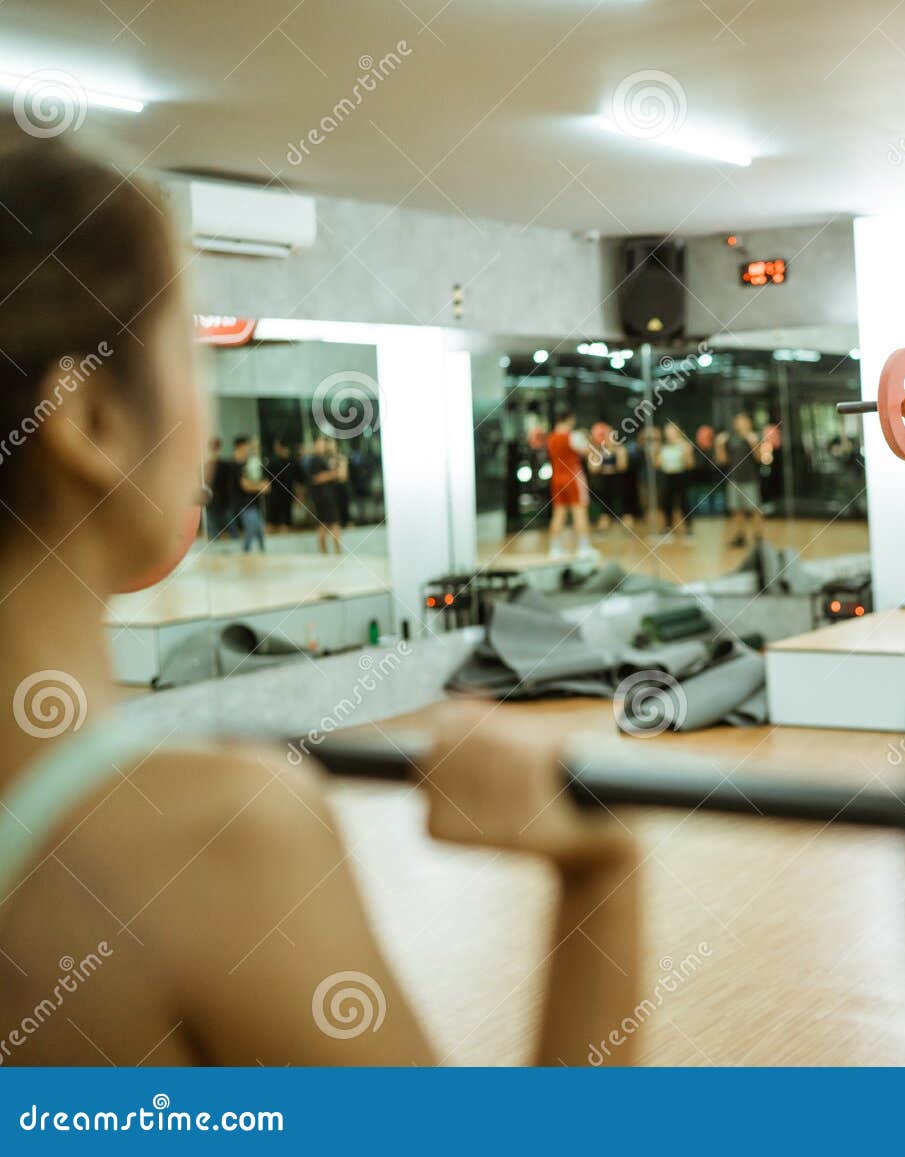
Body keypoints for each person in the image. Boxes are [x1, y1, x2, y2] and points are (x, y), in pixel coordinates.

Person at [0, 131, 641, 1064]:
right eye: (193, 352)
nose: (204, 406)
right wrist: (604, 876)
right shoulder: (213, 835)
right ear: (92, 420)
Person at [545, 409, 594, 557]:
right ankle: (584, 548)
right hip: (573, 477)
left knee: (559, 513)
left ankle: (554, 548)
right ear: (570, 419)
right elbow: (587, 452)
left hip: (556, 478)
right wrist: (588, 439)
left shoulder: (551, 438)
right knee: (579, 511)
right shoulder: (573, 436)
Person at [715, 412, 765, 548]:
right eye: (737, 421)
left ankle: (759, 537)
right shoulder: (730, 439)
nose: (740, 423)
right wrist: (719, 445)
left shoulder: (756, 437)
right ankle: (740, 536)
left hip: (750, 479)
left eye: (743, 420)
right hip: (733, 479)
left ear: (749, 422)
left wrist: (753, 443)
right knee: (737, 509)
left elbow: (760, 458)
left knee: (754, 508)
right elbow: (722, 460)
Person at [653, 422, 695, 541]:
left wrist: (686, 453)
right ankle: (668, 527)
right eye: (667, 431)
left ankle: (688, 528)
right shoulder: (664, 447)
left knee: (684, 502)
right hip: (667, 476)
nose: (669, 433)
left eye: (671, 431)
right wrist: (655, 452)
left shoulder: (685, 445)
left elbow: (690, 464)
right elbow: (657, 464)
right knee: (666, 503)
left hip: (681, 476)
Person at [230, 435, 271, 553]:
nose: (248, 448)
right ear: (240, 447)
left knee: (259, 532)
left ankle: (261, 554)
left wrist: (263, 484)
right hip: (244, 504)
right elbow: (245, 485)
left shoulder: (249, 463)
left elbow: (255, 480)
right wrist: (260, 487)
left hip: (253, 503)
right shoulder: (235, 464)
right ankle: (245, 553)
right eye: (247, 446)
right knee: (252, 530)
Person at [305, 435, 344, 554]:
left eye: (323, 443)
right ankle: (336, 551)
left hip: (327, 496)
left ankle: (325, 553)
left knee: (323, 524)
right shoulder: (315, 460)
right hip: (323, 497)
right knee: (333, 523)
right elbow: (316, 478)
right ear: (316, 444)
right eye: (320, 443)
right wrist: (333, 474)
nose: (323, 445)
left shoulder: (325, 459)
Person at [203, 435, 233, 542]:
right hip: (212, 503)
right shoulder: (205, 467)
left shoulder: (225, 465)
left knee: (232, 531)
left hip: (223, 503)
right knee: (214, 533)